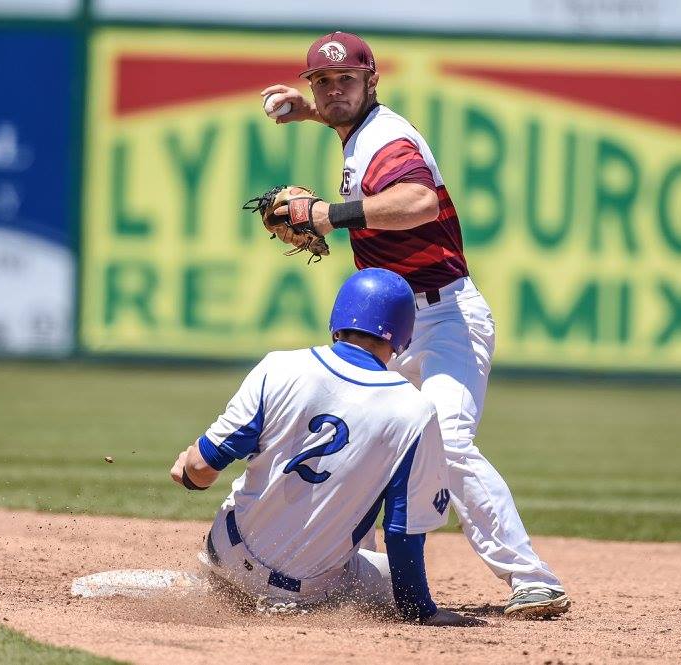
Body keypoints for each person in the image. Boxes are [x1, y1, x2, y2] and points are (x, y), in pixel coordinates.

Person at [258, 31, 570, 618]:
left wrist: (330, 214)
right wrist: (312, 113)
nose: (335, 91)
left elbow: (417, 202)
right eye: (323, 83)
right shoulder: (355, 128)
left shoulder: (387, 138)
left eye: (346, 80)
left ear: (372, 80)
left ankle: (534, 580)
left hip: (448, 317)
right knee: (363, 445)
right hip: (392, 328)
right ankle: (345, 578)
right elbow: (345, 119)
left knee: (447, 440)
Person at [170, 268, 482, 626]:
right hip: (303, 592)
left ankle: (222, 583)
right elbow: (402, 531)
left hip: (225, 555)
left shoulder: (279, 367)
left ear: (337, 319)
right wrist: (420, 611)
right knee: (365, 510)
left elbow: (199, 469)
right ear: (403, 336)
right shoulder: (414, 410)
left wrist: (189, 470)